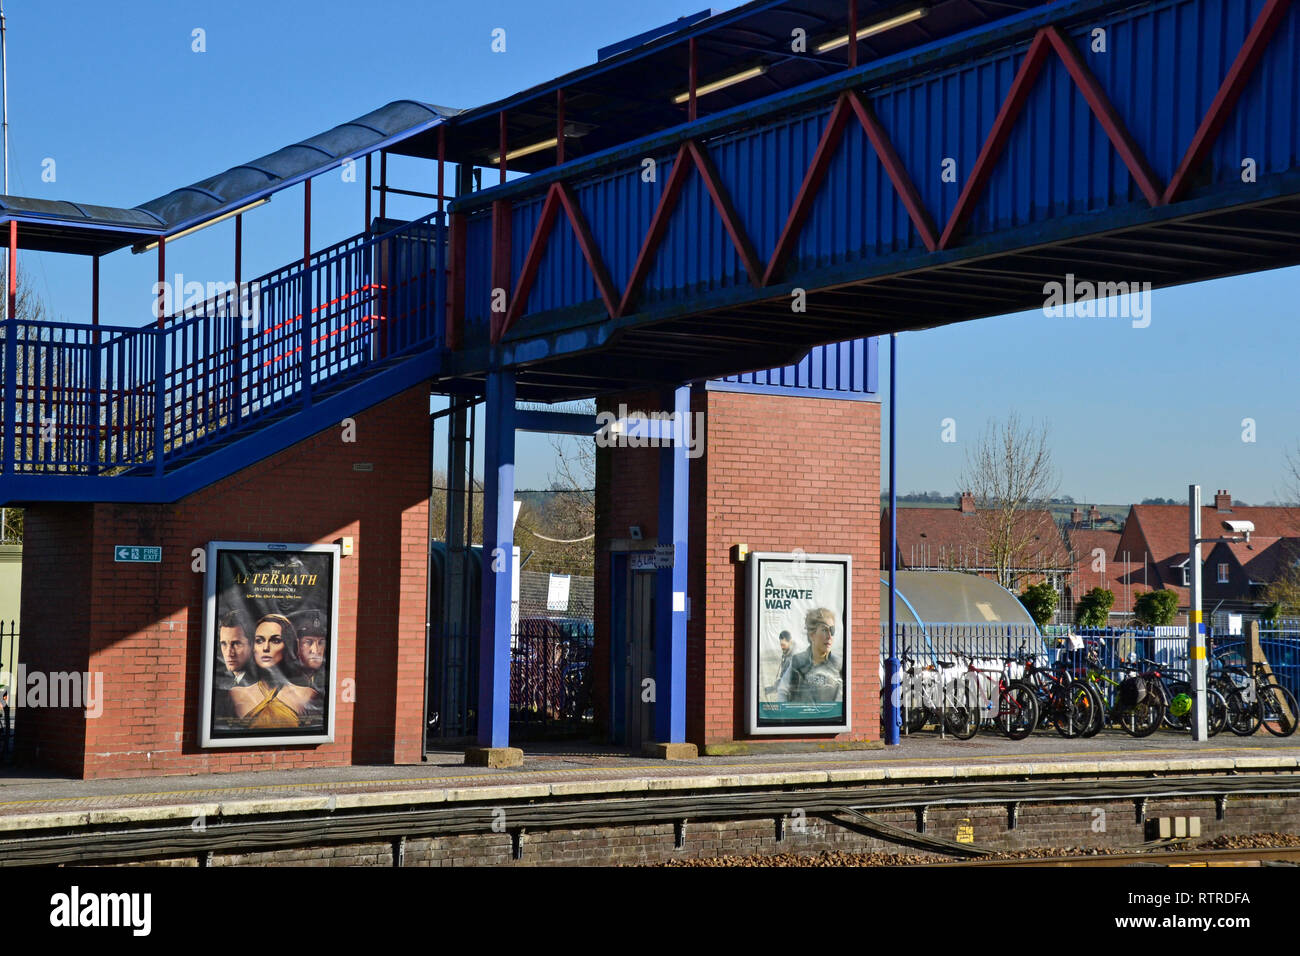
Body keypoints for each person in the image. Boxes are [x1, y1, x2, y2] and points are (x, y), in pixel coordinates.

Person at [228, 614, 319, 730]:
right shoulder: (235, 695)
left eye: (275, 640)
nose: (265, 647)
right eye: (259, 640)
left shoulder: (307, 695)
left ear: (289, 646)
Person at [775, 608, 844, 703]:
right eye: (824, 630)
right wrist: (787, 714)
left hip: (827, 717)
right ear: (812, 635)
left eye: (832, 630)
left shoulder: (838, 665)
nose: (829, 636)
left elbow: (841, 700)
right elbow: (782, 691)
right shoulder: (797, 662)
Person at [213, 610, 257, 727]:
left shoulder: (256, 685)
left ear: (252, 645)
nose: (229, 653)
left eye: (236, 643)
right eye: (224, 644)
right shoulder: (236, 681)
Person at [290, 607, 329, 694]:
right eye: (308, 642)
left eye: (321, 643)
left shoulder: (329, 679)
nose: (315, 651)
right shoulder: (286, 679)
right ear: (297, 645)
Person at [764, 630, 796, 696]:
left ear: (789, 642)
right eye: (781, 644)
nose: (782, 647)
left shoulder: (791, 658)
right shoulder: (786, 655)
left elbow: (786, 681)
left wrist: (771, 689)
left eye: (783, 645)